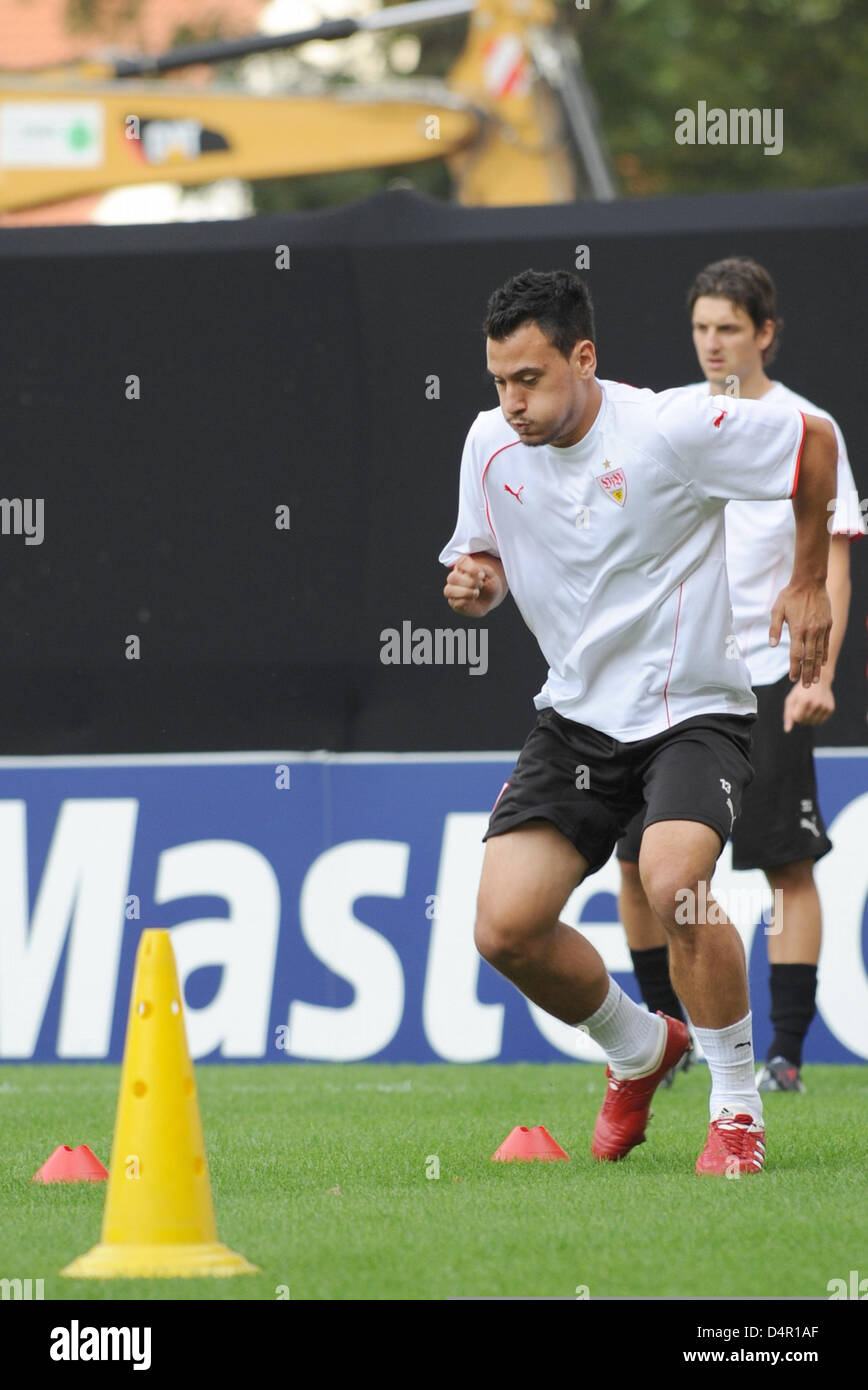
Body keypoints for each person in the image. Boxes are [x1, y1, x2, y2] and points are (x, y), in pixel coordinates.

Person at [439, 268, 837, 1175]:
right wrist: (476, 585)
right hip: (576, 720)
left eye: (530, 379)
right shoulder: (489, 444)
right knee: (503, 929)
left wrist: (808, 578)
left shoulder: (668, 427)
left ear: (584, 359)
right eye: (499, 381)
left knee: (674, 881)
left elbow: (812, 443)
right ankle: (639, 1047)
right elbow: (486, 559)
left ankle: (736, 1107)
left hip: (692, 713)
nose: (512, 403)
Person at [617, 257, 864, 1094]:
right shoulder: (668, 419)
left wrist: (816, 673)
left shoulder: (807, 428)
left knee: (785, 864)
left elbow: (832, 569)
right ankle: (667, 1038)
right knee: (636, 864)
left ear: (765, 333)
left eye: (730, 327)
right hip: (667, 681)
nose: (713, 344)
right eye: (701, 328)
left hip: (765, 678)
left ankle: (786, 1053)